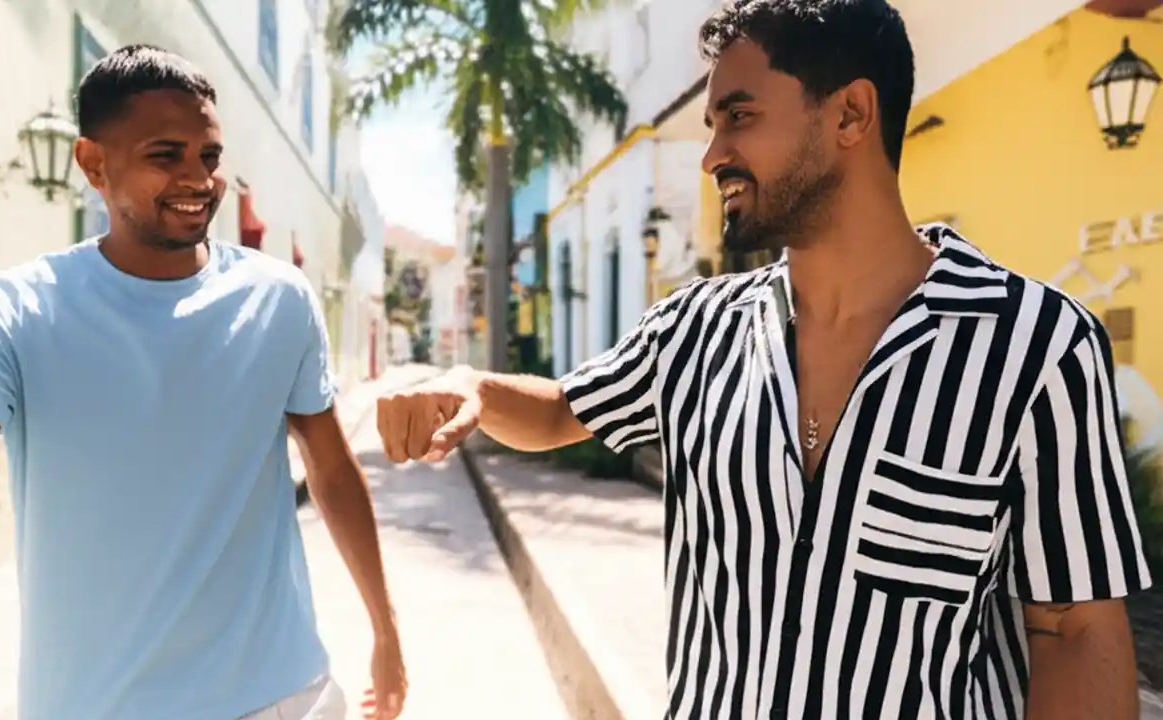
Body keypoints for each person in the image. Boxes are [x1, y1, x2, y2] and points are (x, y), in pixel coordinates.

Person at [375, 1, 1152, 718]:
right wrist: (465, 385)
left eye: (739, 117)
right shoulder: (694, 330)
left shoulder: (1036, 345)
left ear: (850, 113)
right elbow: (557, 412)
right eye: (713, 124)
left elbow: (1075, 629)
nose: (713, 156)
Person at [0, 45, 405, 720]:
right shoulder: (10, 313)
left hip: (286, 696)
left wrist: (386, 632)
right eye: (167, 155)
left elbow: (331, 470)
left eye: (209, 157)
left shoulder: (280, 298)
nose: (199, 179)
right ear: (93, 163)